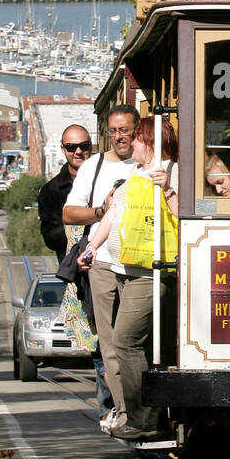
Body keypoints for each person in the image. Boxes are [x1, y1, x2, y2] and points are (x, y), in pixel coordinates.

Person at [80, 115, 178, 442]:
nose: (129, 143)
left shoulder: (172, 171)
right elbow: (113, 214)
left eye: (136, 137)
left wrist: (167, 188)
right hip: (126, 270)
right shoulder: (133, 172)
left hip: (152, 272)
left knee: (125, 341)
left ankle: (144, 418)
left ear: (150, 141)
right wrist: (92, 246)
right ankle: (147, 415)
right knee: (142, 346)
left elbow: (186, 214)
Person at [63, 105, 139, 430]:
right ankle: (125, 412)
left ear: (139, 129)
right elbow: (68, 213)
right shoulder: (92, 166)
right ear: (108, 133)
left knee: (133, 339)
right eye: (115, 131)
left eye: (127, 129)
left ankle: (143, 409)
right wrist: (99, 212)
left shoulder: (148, 163)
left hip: (140, 265)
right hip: (104, 264)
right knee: (108, 343)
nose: (121, 136)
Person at [37, 124, 93, 260]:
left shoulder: (106, 179)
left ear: (91, 146)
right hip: (73, 268)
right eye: (71, 147)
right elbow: (50, 238)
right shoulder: (50, 191)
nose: (78, 151)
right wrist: (78, 229)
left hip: (105, 264)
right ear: (63, 149)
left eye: (84, 146)